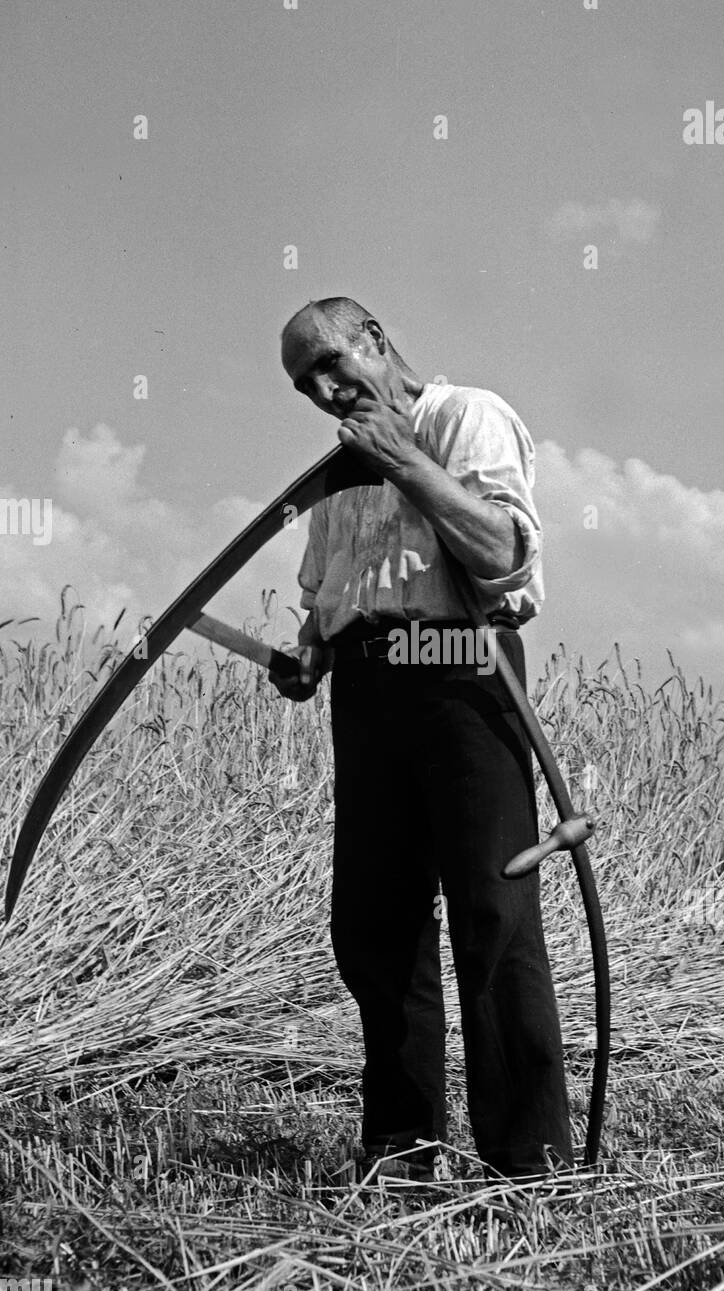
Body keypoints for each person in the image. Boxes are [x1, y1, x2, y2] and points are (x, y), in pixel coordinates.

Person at [271, 296, 573, 1181]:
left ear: (376, 338)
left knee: (494, 908)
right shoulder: (339, 475)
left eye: (332, 363)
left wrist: (404, 461)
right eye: (305, 384)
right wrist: (309, 659)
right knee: (374, 920)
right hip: (367, 695)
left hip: (462, 673)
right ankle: (401, 1149)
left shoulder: (463, 417)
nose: (325, 390)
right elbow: (327, 606)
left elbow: (502, 555)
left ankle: (530, 1157)